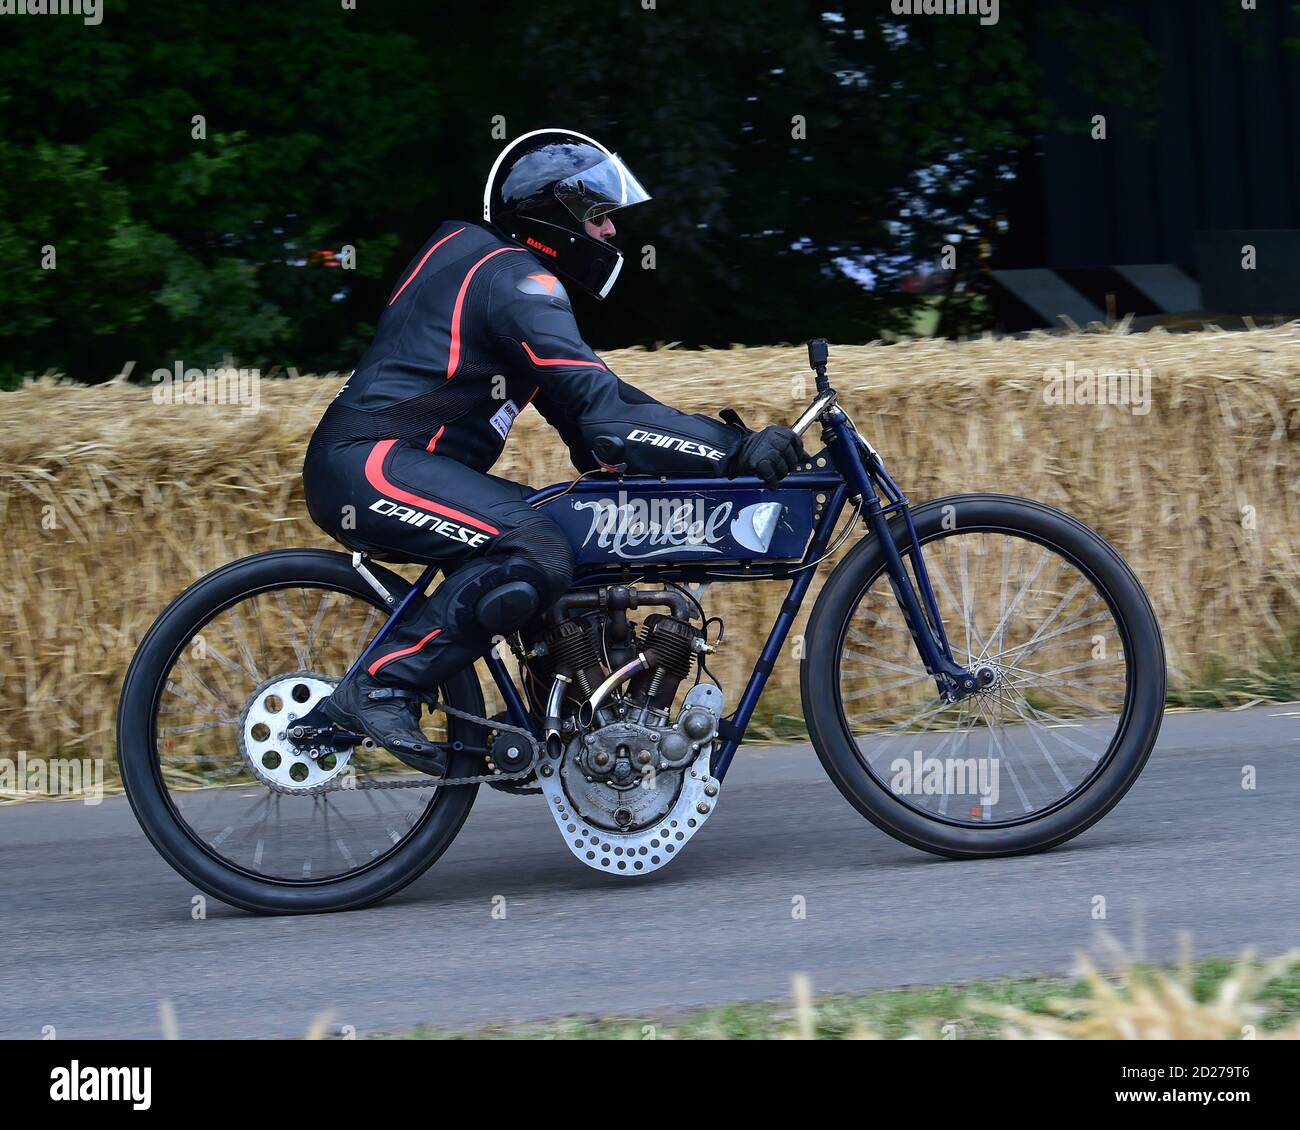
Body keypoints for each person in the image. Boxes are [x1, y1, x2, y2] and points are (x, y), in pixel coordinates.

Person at [303, 128, 806, 773]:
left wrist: (693, 464)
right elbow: (607, 415)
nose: (611, 232)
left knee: (569, 528)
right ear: (554, 217)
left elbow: (594, 433)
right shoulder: (514, 279)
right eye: (598, 216)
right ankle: (383, 684)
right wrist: (734, 450)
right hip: (371, 464)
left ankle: (565, 721)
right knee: (535, 547)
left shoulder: (500, 275)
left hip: (384, 464)